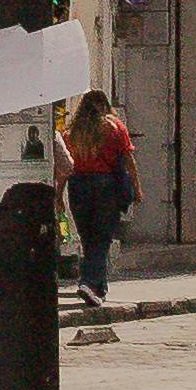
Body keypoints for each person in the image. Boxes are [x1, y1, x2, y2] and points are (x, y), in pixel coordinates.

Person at [65, 91, 139, 300]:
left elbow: (65, 166)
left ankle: (99, 288)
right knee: (102, 237)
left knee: (88, 237)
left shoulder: (73, 131)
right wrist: (137, 188)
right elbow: (128, 160)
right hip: (105, 185)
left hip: (78, 184)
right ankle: (88, 282)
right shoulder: (115, 127)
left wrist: (59, 194)